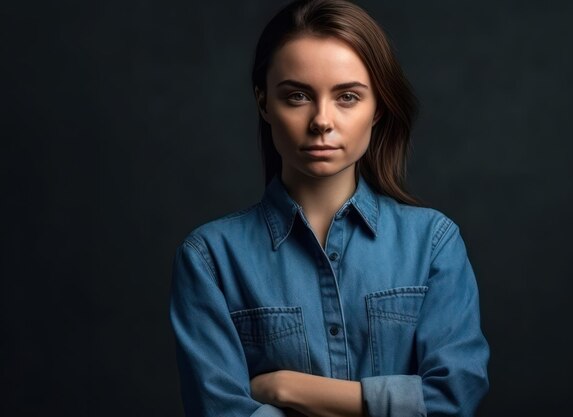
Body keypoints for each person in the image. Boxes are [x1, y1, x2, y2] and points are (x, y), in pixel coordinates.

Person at [169, 0, 490, 416]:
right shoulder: (209, 257)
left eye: (348, 97)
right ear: (264, 103)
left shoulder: (433, 243)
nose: (322, 120)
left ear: (378, 109)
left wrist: (288, 388)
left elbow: (453, 398)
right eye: (298, 95)